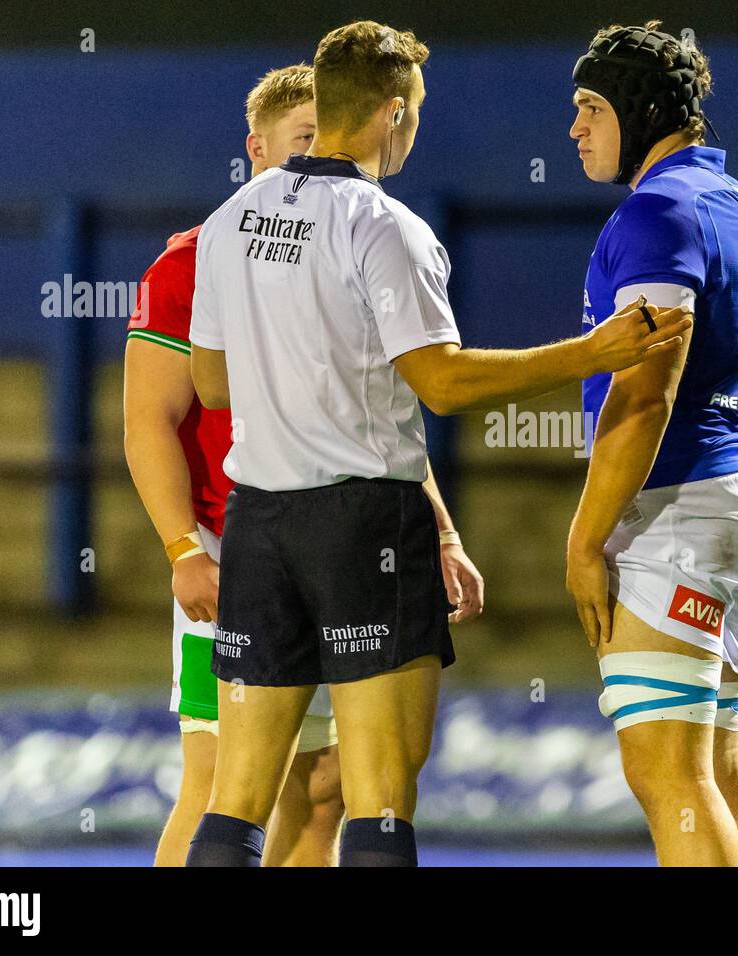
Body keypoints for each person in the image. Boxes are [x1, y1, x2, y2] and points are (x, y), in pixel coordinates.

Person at [185, 19, 691, 867]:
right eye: (414, 111)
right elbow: (445, 384)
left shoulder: (231, 218)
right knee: (377, 793)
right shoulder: (385, 228)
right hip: (363, 526)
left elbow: (211, 383)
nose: (416, 127)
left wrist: (301, 367)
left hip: (260, 525)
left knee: (236, 798)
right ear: (390, 113)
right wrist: (591, 353)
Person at [123, 62, 485, 866]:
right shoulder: (193, 260)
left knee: (324, 789)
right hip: (232, 552)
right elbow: (148, 422)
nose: (320, 152)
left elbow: (372, 409)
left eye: (326, 134)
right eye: (302, 139)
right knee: (225, 779)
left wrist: (446, 533)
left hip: (304, 532)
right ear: (255, 148)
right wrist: (183, 548)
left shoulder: (331, 241)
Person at [565, 21, 738, 867]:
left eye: (589, 107)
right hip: (735, 501)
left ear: (637, 107)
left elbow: (648, 385)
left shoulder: (659, 210)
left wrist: (586, 536)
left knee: (670, 777)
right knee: (721, 773)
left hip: (678, 509)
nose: (576, 129)